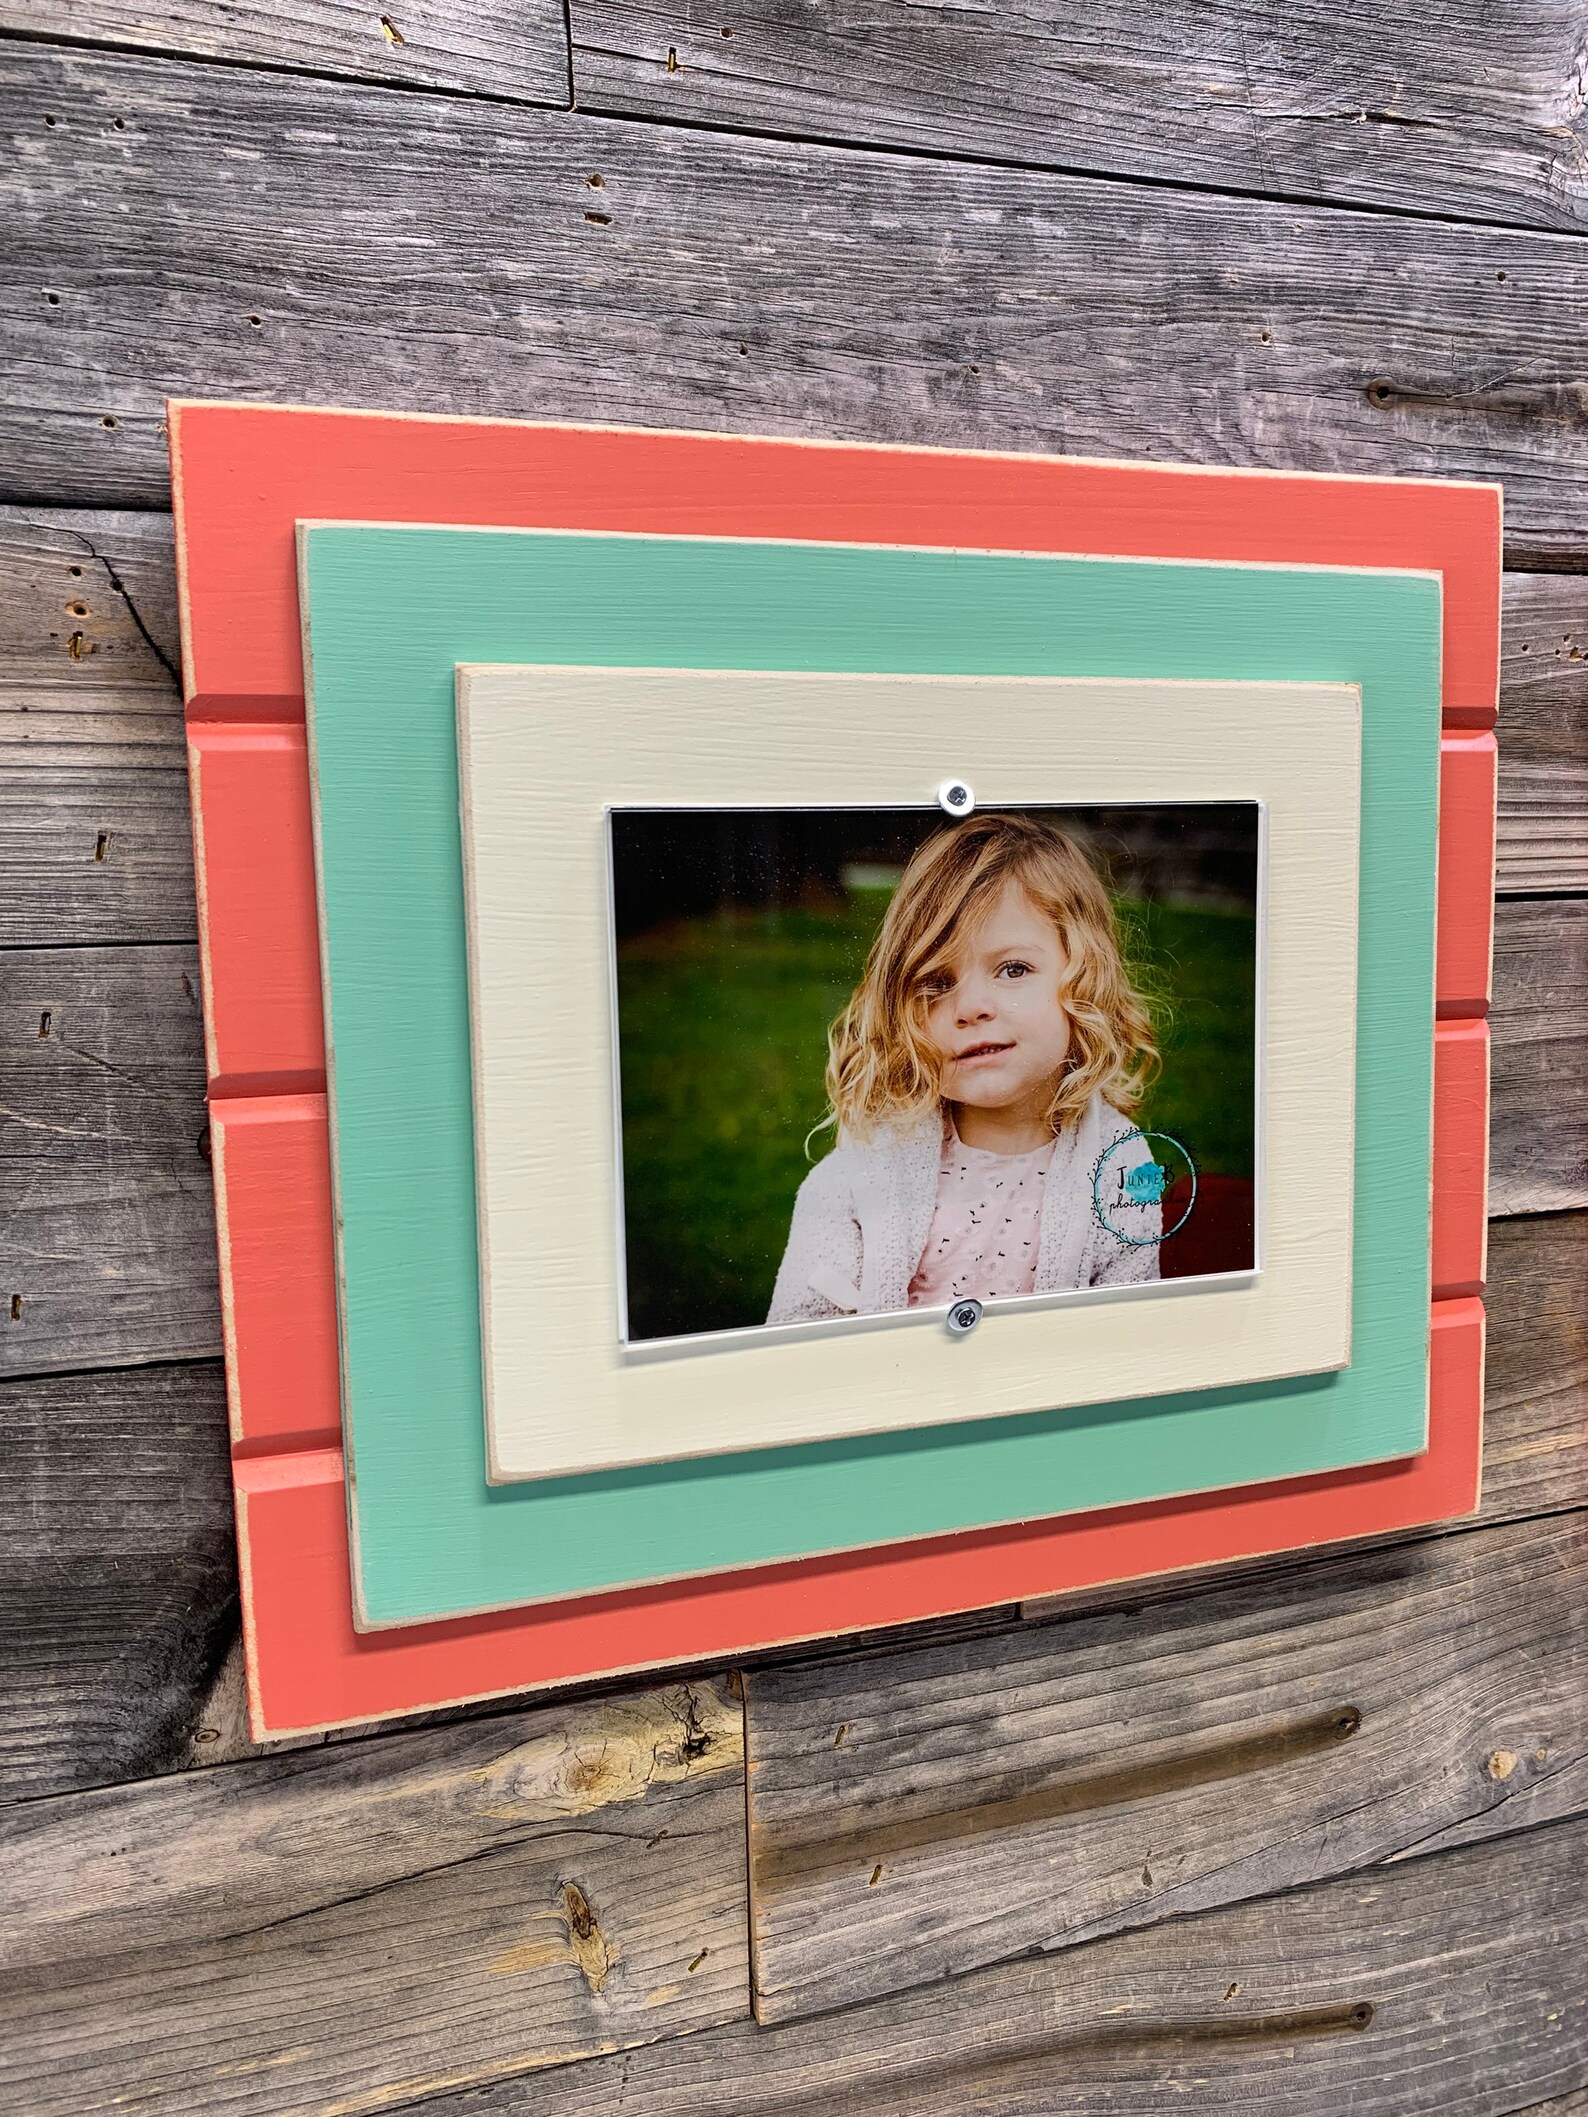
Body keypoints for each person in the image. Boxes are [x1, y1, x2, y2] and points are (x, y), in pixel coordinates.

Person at [767, 812, 1162, 1324]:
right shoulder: (861, 1174)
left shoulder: (1122, 1169)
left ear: (1084, 980)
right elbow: (798, 1343)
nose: (970, 1006)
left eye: (1013, 969)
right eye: (937, 982)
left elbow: (1127, 1342)